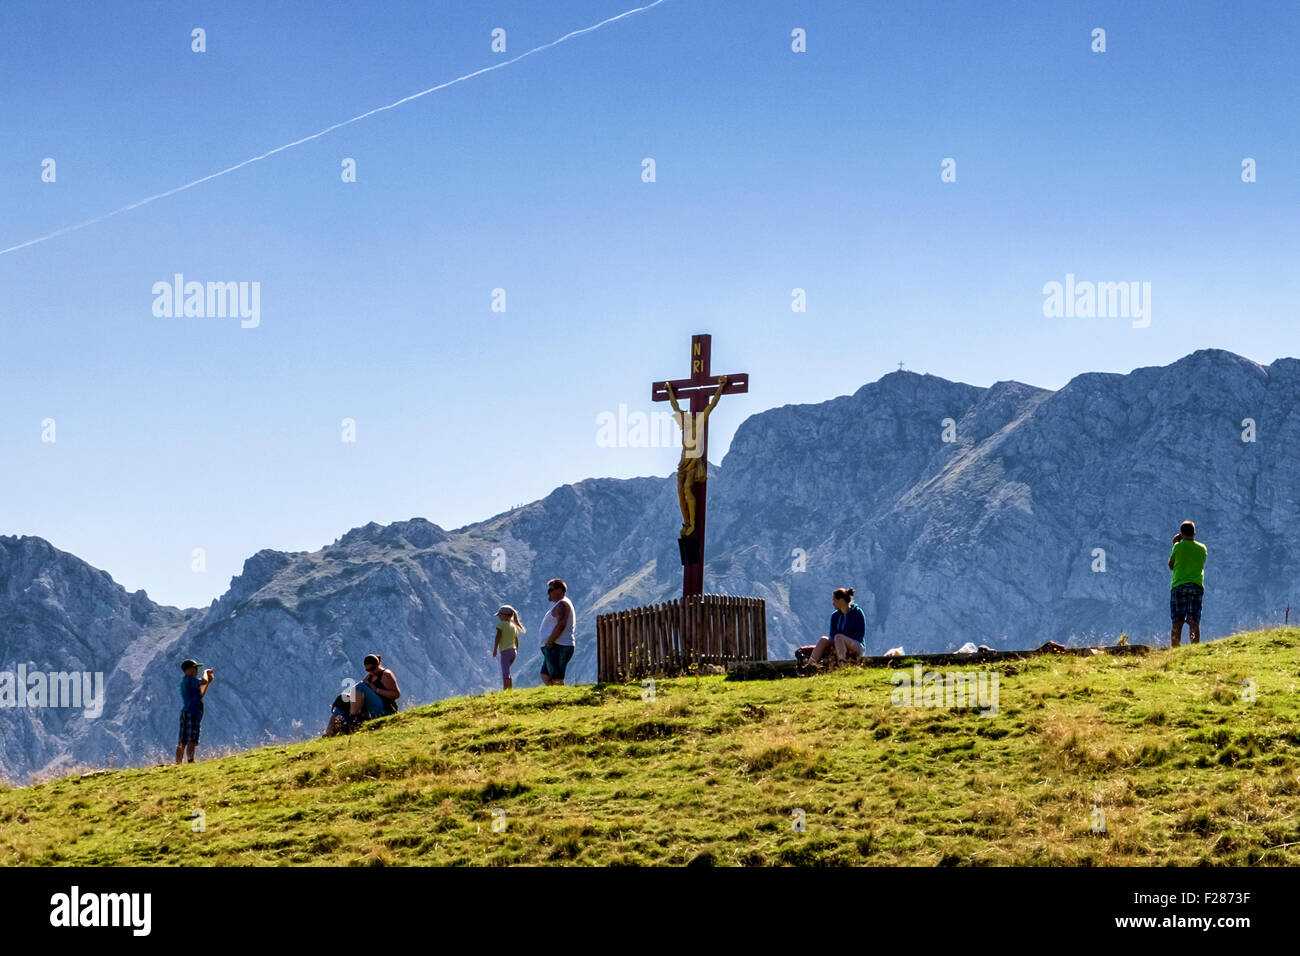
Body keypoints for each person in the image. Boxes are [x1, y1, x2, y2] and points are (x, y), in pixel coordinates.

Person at [807, 587, 867, 670]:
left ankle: (842, 663)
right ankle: (810, 665)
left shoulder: (857, 613)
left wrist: (843, 639)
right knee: (823, 639)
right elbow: (832, 634)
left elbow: (860, 635)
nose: (833, 603)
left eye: (834, 600)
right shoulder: (835, 616)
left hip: (857, 645)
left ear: (841, 600)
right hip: (838, 643)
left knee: (838, 637)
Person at [1169, 520, 1207, 647]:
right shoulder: (1202, 548)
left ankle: (1175, 647)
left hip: (1179, 585)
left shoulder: (1178, 547)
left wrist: (1175, 543)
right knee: (1193, 620)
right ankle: (1194, 647)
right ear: (1194, 533)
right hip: (1196, 585)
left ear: (1181, 534)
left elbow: (1171, 565)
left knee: (1177, 621)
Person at [175, 659, 214, 763]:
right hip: (193, 713)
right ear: (187, 670)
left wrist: (208, 683)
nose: (196, 670)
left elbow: (200, 694)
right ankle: (190, 761)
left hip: (186, 712)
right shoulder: (190, 680)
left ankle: (178, 763)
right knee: (191, 740)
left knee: (182, 741)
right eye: (194, 668)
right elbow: (203, 681)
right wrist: (205, 673)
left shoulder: (188, 682)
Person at [539, 578, 576, 686]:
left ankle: (561, 700)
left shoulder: (563, 604)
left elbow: (561, 624)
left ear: (559, 590)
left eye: (550, 590)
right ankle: (555, 697)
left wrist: (550, 641)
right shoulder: (560, 604)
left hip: (559, 645)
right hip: (555, 646)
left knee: (557, 678)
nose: (548, 593)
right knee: (545, 675)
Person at [493, 604, 525, 690]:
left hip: (505, 652)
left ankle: (506, 690)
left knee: (505, 673)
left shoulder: (501, 624)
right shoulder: (513, 626)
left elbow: (498, 636)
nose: (498, 616)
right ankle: (509, 690)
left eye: (499, 615)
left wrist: (495, 649)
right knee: (507, 671)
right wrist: (516, 651)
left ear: (505, 615)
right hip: (513, 651)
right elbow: (516, 640)